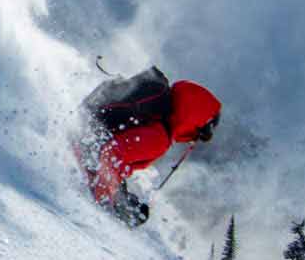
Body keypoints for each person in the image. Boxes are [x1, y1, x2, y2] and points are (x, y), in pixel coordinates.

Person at [73, 66, 222, 225]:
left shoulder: (156, 104)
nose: (192, 141)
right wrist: (115, 204)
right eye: (198, 134)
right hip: (81, 152)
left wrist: (120, 194)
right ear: (193, 121)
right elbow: (111, 155)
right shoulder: (159, 137)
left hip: (79, 131)